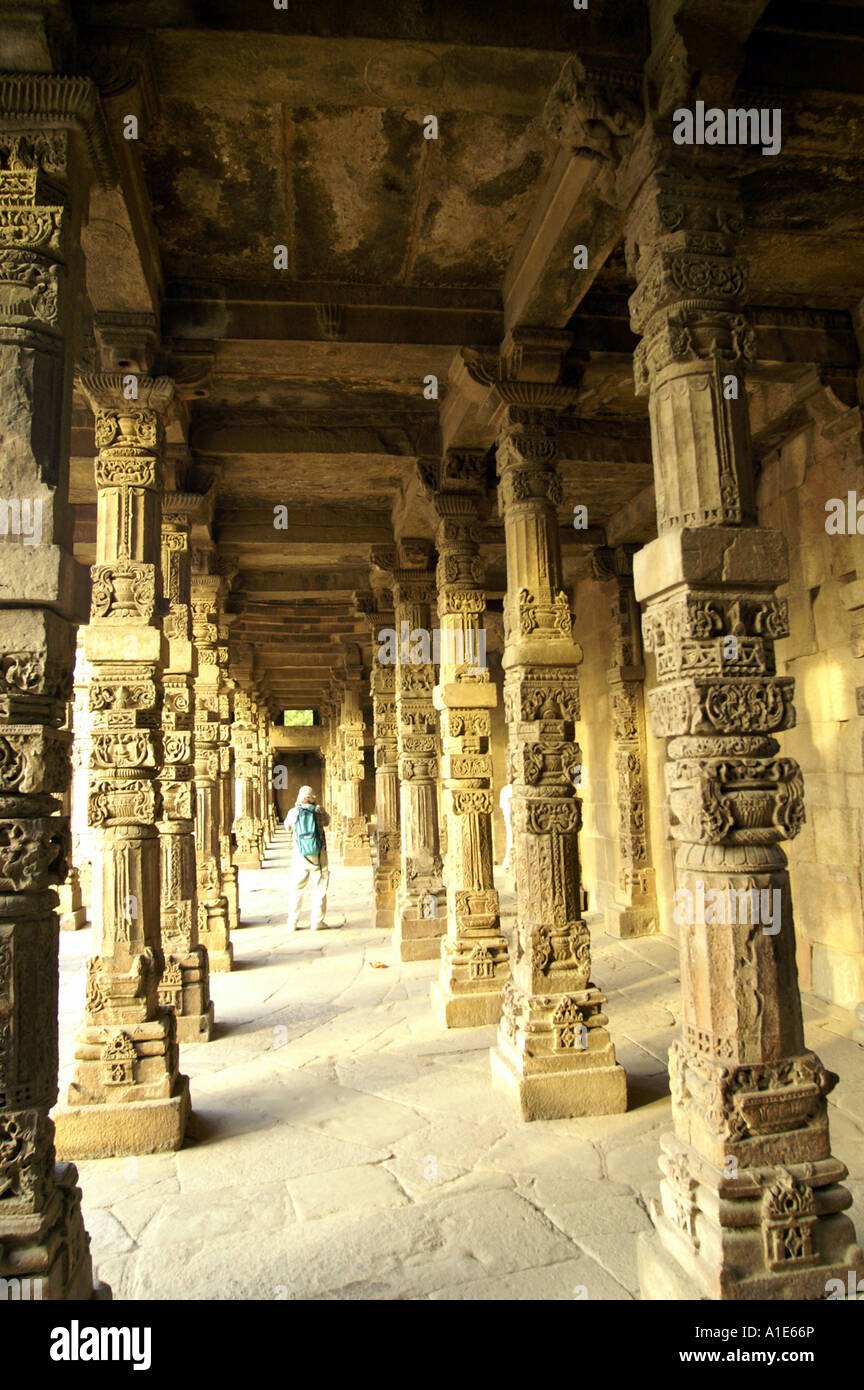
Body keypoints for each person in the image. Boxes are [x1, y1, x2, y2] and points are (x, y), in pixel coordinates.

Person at [284, 785, 335, 931]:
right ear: (312, 797)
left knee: (297, 888)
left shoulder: (293, 812)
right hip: (318, 856)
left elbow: (287, 827)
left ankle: (292, 922)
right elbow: (327, 821)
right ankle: (317, 921)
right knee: (320, 887)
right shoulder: (318, 811)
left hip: (300, 854)